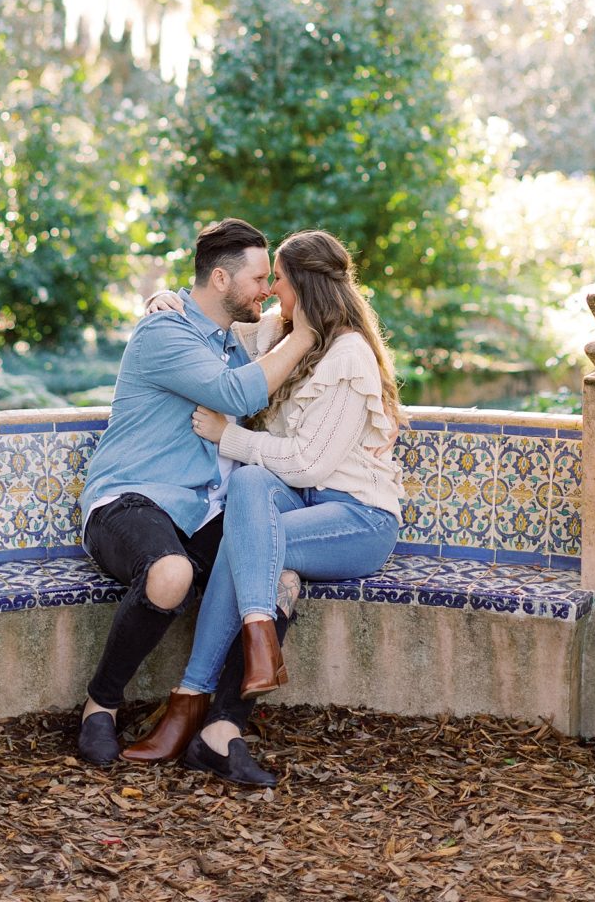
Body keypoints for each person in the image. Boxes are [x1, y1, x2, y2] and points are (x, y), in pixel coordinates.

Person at [142, 229, 405, 788]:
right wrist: (162, 303)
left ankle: (188, 700)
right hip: (298, 504)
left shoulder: (349, 354)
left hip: (357, 519)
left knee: (246, 542)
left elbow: (310, 465)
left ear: (303, 284)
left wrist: (226, 437)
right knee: (252, 492)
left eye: (276, 280)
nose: (267, 292)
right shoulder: (277, 332)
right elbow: (210, 319)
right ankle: (237, 681)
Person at [76, 217, 315, 769]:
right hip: (129, 501)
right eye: (260, 278)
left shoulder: (229, 341)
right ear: (223, 281)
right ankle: (100, 706)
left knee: (277, 575)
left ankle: (221, 728)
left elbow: (275, 332)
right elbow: (236, 391)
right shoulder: (165, 334)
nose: (269, 290)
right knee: (171, 573)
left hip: (201, 511)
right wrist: (304, 335)